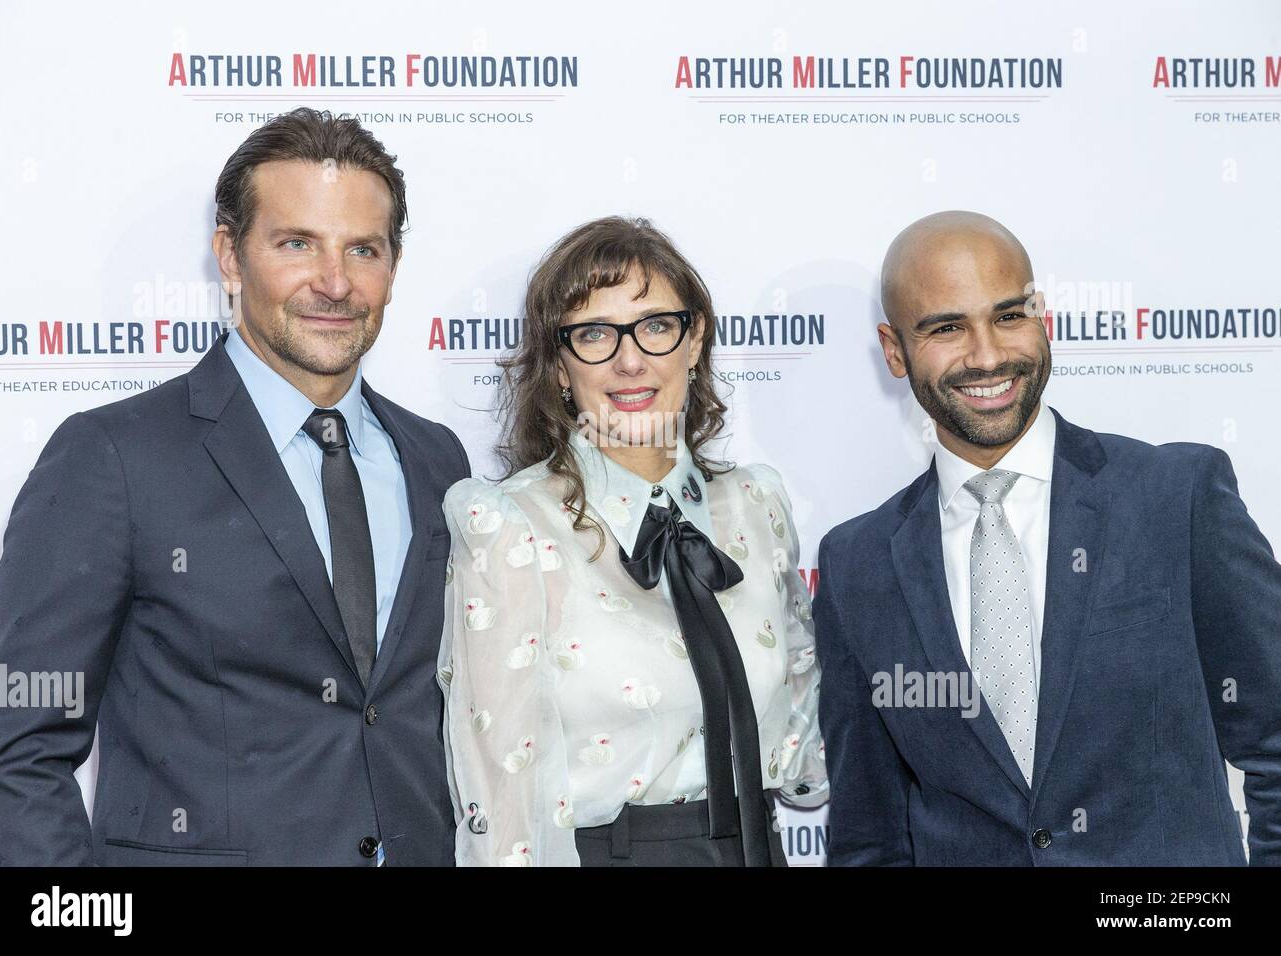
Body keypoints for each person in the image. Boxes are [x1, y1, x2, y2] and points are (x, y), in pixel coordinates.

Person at [0, 108, 468, 865]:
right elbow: (13, 749)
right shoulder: (111, 458)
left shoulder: (438, 461)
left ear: (393, 268)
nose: (334, 282)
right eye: (297, 243)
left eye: (362, 249)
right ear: (230, 257)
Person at [815, 209, 1281, 866]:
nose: (987, 355)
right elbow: (869, 835)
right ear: (895, 351)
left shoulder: (1175, 498)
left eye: (1008, 316)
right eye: (947, 327)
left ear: (1042, 318)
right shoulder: (857, 565)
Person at [437, 216, 825, 866]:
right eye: (593, 333)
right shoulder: (509, 527)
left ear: (694, 339)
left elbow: (805, 739)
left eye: (655, 325)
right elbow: (502, 799)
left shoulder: (757, 505)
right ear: (559, 364)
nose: (629, 358)